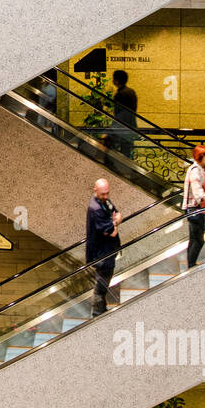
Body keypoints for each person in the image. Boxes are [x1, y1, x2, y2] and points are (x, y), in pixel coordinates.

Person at [86, 178, 122, 316]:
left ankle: (101, 309)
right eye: (103, 194)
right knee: (101, 285)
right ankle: (97, 313)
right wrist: (115, 223)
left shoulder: (105, 202)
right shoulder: (95, 209)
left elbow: (118, 215)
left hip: (108, 251)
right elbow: (111, 232)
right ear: (95, 190)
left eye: (107, 193)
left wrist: (116, 221)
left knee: (103, 283)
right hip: (102, 254)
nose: (106, 196)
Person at [107, 70, 138, 161]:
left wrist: (112, 129)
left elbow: (119, 114)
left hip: (121, 128)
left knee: (116, 153)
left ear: (116, 81)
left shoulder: (120, 94)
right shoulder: (131, 92)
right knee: (127, 152)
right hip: (131, 126)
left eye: (113, 79)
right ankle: (127, 171)